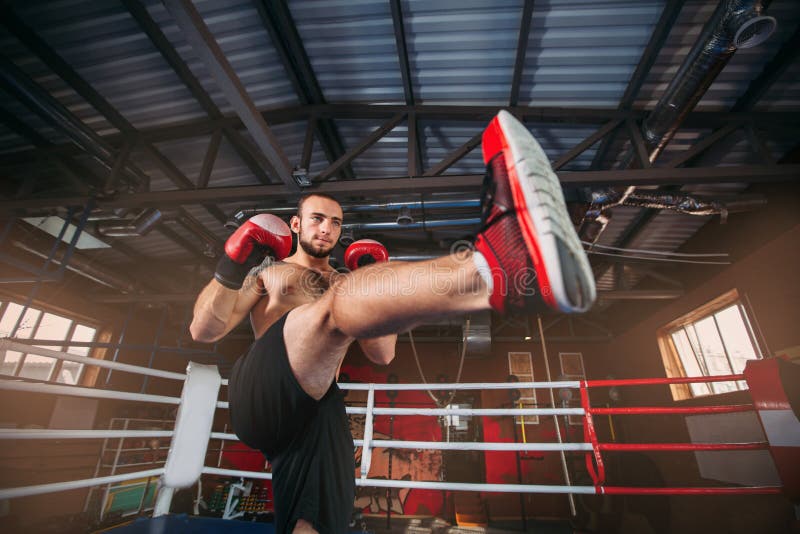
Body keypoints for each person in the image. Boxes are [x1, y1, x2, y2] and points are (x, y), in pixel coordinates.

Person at [190, 110, 596, 533]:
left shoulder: (350, 283)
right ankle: (494, 270)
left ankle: (503, 270)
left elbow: (381, 355)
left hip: (316, 407)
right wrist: (232, 263)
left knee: (318, 517)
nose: (327, 229)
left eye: (335, 222)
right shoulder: (268, 272)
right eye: (316, 219)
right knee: (337, 304)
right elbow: (204, 330)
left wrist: (371, 285)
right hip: (262, 389)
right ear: (295, 224)